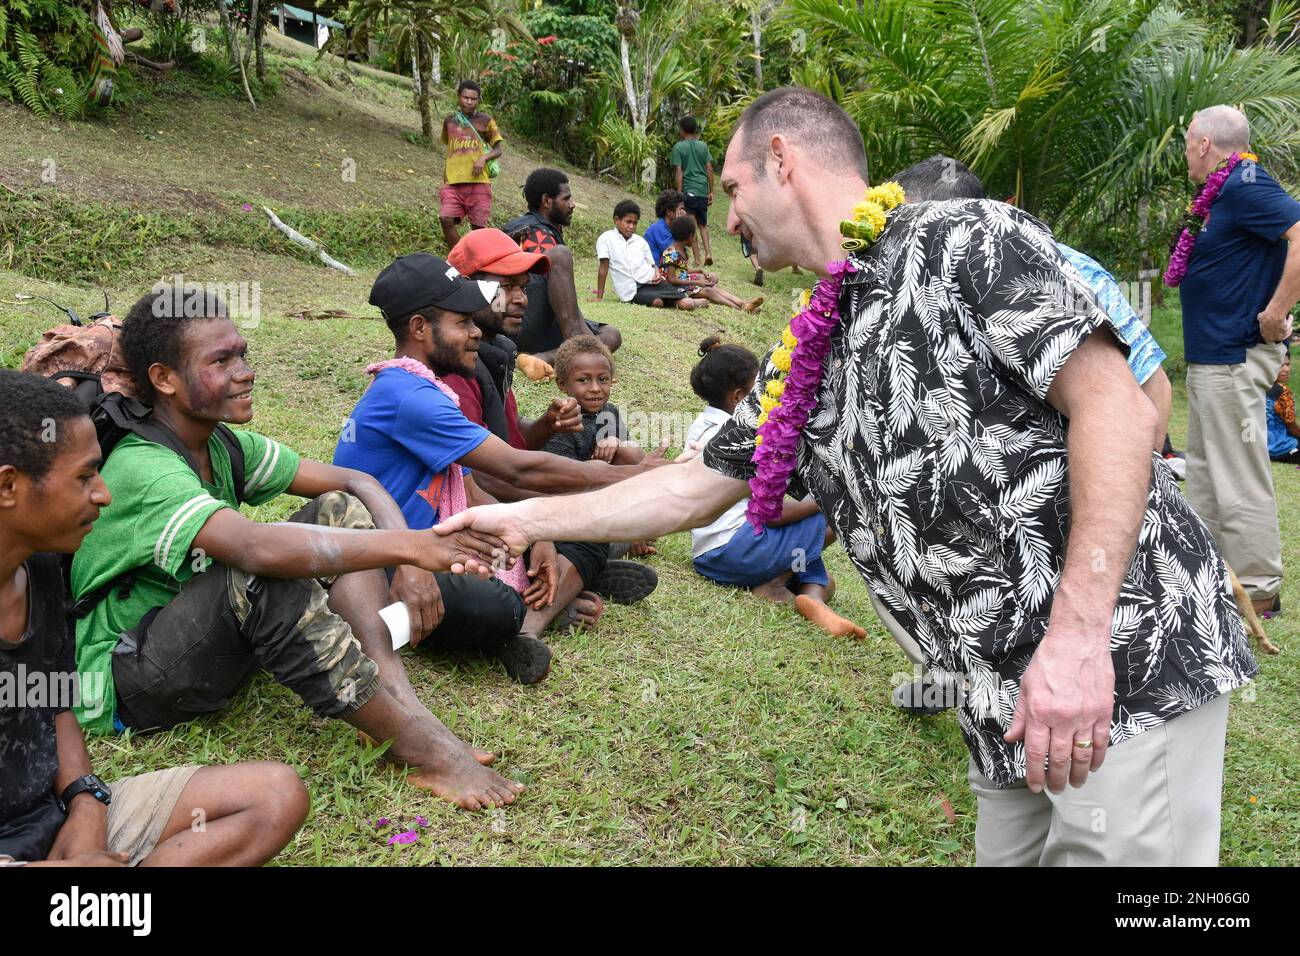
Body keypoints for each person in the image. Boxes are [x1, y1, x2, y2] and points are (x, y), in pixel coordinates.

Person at [436, 86, 1258, 866]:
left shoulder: (965, 237)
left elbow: (1119, 411)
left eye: (732, 186)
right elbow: (693, 485)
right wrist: (525, 522)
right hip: (995, 703)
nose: (725, 216)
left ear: (783, 160)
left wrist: (1078, 640)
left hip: (1117, 664)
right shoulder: (811, 339)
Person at [71, 284, 526, 811]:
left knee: (341, 513)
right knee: (261, 568)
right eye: (221, 360)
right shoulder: (144, 467)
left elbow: (355, 483)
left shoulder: (221, 443)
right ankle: (414, 746)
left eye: (242, 353)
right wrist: (416, 546)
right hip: (133, 680)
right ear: (163, 379)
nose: (245, 371)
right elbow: (255, 549)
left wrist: (403, 557)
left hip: (198, 641)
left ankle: (402, 706)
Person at [884, 154, 1179, 715]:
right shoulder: (889, 282)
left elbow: (1151, 390)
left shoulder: (1058, 267)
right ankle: (946, 672)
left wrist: (1130, 491)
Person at [1, 369, 308, 866]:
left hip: (52, 815)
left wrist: (86, 802)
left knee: (275, 794)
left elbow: (55, 700)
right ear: (9, 486)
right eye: (84, 477)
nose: (103, 493)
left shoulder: (36, 567)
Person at [334, 254, 660, 675]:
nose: (475, 333)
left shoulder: (428, 388)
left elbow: (471, 491)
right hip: (395, 563)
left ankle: (546, 593)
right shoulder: (408, 395)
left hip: (442, 543)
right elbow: (519, 469)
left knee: (569, 532)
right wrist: (632, 476)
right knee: (494, 605)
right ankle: (529, 615)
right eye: (462, 323)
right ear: (418, 328)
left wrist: (538, 535)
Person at [1176, 105, 1299, 618]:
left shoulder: (1247, 181)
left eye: (1187, 144)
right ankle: (1203, 574)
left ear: (1205, 144)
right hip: (1212, 357)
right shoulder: (1226, 190)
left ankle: (1259, 588)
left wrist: (1276, 313)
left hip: (1233, 354)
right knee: (1203, 473)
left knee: (1238, 474)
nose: (1185, 154)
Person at [686, 337, 862, 637]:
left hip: (708, 559)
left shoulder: (699, 429)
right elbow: (772, 514)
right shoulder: (744, 439)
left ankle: (814, 600)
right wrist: (823, 499)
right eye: (762, 386)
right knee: (842, 509)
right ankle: (777, 581)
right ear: (740, 397)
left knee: (825, 582)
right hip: (742, 550)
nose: (770, 391)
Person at [502, 168, 622, 369]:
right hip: (519, 321)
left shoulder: (536, 227)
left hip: (527, 320)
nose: (572, 205)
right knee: (560, 255)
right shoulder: (538, 234)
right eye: (566, 199)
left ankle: (543, 358)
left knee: (611, 334)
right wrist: (583, 336)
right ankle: (578, 354)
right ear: (547, 201)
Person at [595, 200, 705, 310]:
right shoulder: (606, 239)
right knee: (657, 302)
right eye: (628, 222)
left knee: (687, 305)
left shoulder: (640, 241)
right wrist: (599, 297)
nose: (632, 226)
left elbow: (652, 264)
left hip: (654, 283)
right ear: (616, 220)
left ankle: (689, 302)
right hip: (631, 291)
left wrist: (657, 273)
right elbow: (603, 268)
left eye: (635, 223)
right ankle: (680, 302)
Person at [439, 80, 504, 251]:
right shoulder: (449, 122)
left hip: (479, 183)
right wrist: (445, 179)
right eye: (465, 97)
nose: (469, 102)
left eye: (473, 99)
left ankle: (480, 262)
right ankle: (459, 257)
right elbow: (451, 149)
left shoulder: (486, 121)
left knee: (478, 229)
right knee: (445, 218)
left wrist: (483, 159)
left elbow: (498, 150)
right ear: (458, 97)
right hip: (452, 183)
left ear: (478, 100)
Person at [660, 215, 763, 312]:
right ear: (690, 236)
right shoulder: (671, 253)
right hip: (675, 289)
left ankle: (743, 303)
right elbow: (672, 279)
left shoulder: (681, 249)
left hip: (684, 283)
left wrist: (700, 270)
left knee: (712, 286)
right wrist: (696, 283)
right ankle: (740, 308)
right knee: (709, 291)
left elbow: (682, 271)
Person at [672, 116, 714, 266]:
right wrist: (711, 191)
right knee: (703, 225)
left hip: (688, 191)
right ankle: (709, 252)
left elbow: (679, 171)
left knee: (692, 225)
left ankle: (697, 258)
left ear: (682, 130)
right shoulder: (703, 146)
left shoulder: (679, 147)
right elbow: (709, 168)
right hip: (702, 190)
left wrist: (679, 194)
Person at [1266, 344, 1300, 465]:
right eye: (1281, 365)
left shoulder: (1254, 388)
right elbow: (1291, 427)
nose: (1286, 369)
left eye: (1288, 364)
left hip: (1256, 448)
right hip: (1280, 448)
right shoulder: (1283, 393)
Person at [644, 189, 686, 265]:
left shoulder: (670, 229)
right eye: (681, 209)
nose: (684, 213)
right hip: (656, 272)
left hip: (668, 270)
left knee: (710, 276)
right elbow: (678, 255)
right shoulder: (658, 229)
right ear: (669, 212)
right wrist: (682, 225)